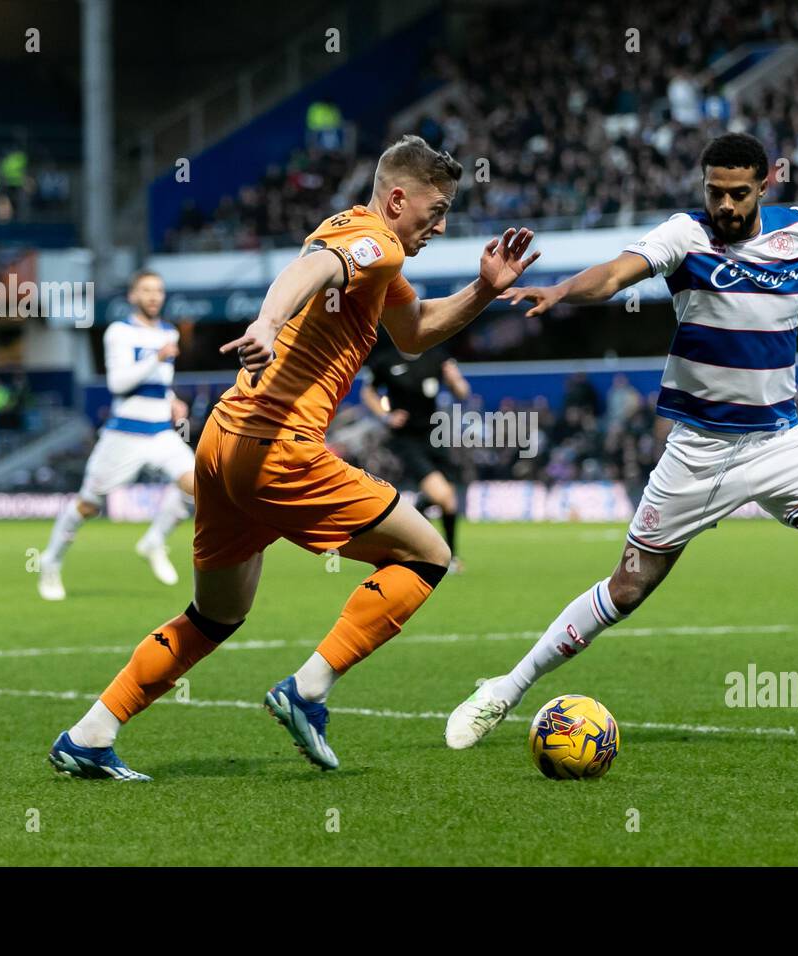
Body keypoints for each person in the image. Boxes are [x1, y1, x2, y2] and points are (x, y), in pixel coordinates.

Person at [445, 132, 798, 749]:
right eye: (714, 192)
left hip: (781, 441)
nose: (724, 205)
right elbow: (617, 273)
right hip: (698, 450)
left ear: (764, 185)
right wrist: (563, 291)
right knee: (627, 589)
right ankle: (503, 691)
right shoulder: (684, 236)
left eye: (738, 193)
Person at [47, 134, 539, 779]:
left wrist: (483, 287)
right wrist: (269, 323)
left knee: (216, 614)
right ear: (397, 199)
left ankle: (89, 734)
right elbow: (314, 270)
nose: (441, 226)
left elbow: (415, 333)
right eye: (436, 210)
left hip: (223, 442)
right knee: (428, 554)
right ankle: (307, 689)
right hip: (278, 446)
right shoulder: (377, 242)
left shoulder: (370, 251)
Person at [38, 271, 195, 600]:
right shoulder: (119, 332)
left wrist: (173, 401)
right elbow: (118, 385)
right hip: (125, 434)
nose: (154, 296)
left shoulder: (168, 332)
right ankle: (50, 562)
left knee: (198, 486)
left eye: (159, 290)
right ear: (132, 296)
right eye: (146, 290)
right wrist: (157, 357)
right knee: (88, 505)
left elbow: (158, 385)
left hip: (160, 432)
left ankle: (154, 541)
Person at [361, 330, 471, 570]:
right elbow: (368, 392)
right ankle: (444, 555)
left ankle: (446, 553)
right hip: (406, 440)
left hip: (435, 435)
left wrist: (455, 380)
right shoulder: (386, 361)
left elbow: (463, 393)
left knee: (448, 502)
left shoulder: (437, 357)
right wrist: (385, 416)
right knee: (444, 497)